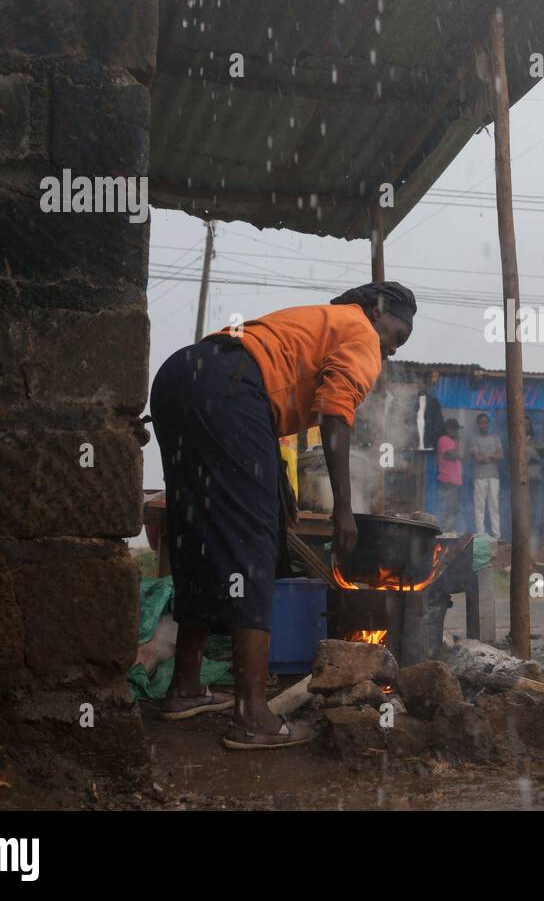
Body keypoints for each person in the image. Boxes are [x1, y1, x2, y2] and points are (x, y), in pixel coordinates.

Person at [148, 281, 415, 750]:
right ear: (376, 311)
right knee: (251, 544)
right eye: (397, 333)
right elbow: (335, 417)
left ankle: (185, 688)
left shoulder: (317, 323)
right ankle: (253, 716)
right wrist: (344, 511)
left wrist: (276, 482)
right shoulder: (361, 332)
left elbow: (266, 390)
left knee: (196, 532)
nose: (391, 348)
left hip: (180, 376)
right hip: (230, 389)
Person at [471, 411, 503, 538]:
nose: (484, 425)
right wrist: (492, 456)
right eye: (481, 423)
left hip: (494, 476)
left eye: (486, 423)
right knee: (480, 507)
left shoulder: (496, 438)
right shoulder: (474, 439)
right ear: (478, 425)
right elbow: (477, 458)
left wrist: (486, 456)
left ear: (489, 424)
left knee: (494, 506)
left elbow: (500, 456)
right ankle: (480, 534)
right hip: (480, 477)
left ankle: (496, 535)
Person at [436, 418, 463, 531]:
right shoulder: (444, 439)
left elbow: (458, 455)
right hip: (448, 480)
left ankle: (449, 529)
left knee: (453, 507)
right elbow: (453, 455)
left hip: (453, 480)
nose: (457, 432)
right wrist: (458, 452)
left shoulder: (451, 441)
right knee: (449, 507)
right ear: (448, 429)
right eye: (455, 429)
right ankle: (446, 530)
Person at [524, 416, 544, 553]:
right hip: (520, 481)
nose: (525, 427)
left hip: (533, 479)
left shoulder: (536, 442)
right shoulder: (515, 441)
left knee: (534, 510)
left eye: (527, 424)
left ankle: (535, 539)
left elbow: (541, 456)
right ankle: (524, 539)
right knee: (521, 510)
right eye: (522, 424)